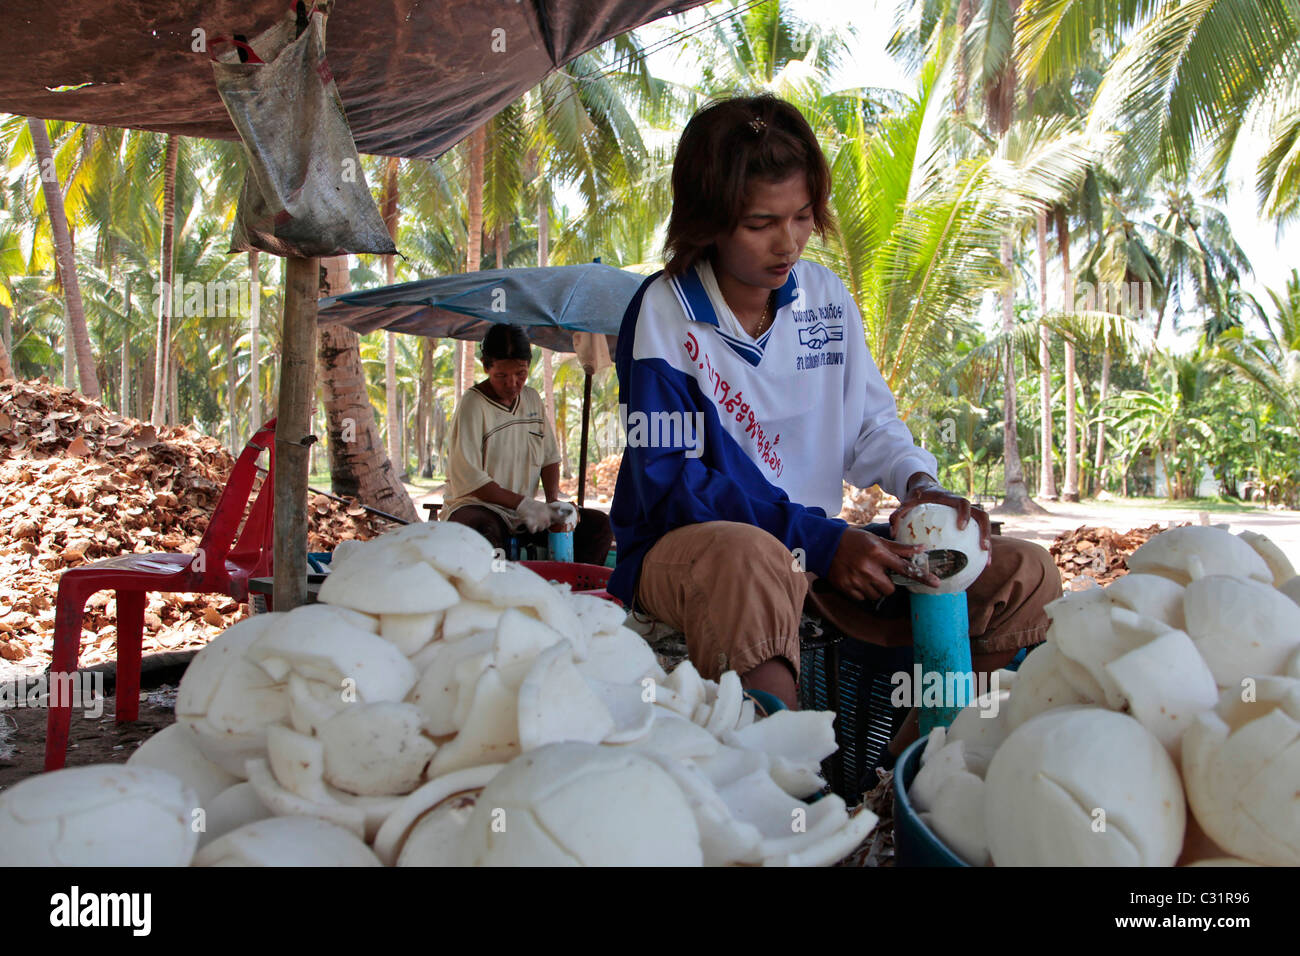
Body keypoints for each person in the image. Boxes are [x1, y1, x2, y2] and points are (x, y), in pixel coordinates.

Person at [608, 94, 1061, 712]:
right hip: (700, 558)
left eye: (800, 217)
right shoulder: (664, 313)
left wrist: (920, 484)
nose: (788, 243)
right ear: (707, 220)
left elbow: (870, 426)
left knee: (1021, 572)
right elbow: (670, 484)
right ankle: (787, 786)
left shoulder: (823, 297)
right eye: (760, 224)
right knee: (751, 555)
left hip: (815, 553)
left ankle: (910, 772)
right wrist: (816, 541)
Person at [442, 323, 613, 565]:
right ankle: (494, 599)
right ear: (485, 366)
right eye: (501, 376)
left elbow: (549, 457)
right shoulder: (473, 404)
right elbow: (472, 479)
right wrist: (523, 504)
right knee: (483, 532)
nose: (512, 383)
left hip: (525, 512)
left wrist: (552, 502)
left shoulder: (532, 398)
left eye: (520, 374)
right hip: (480, 507)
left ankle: (571, 594)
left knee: (598, 526)